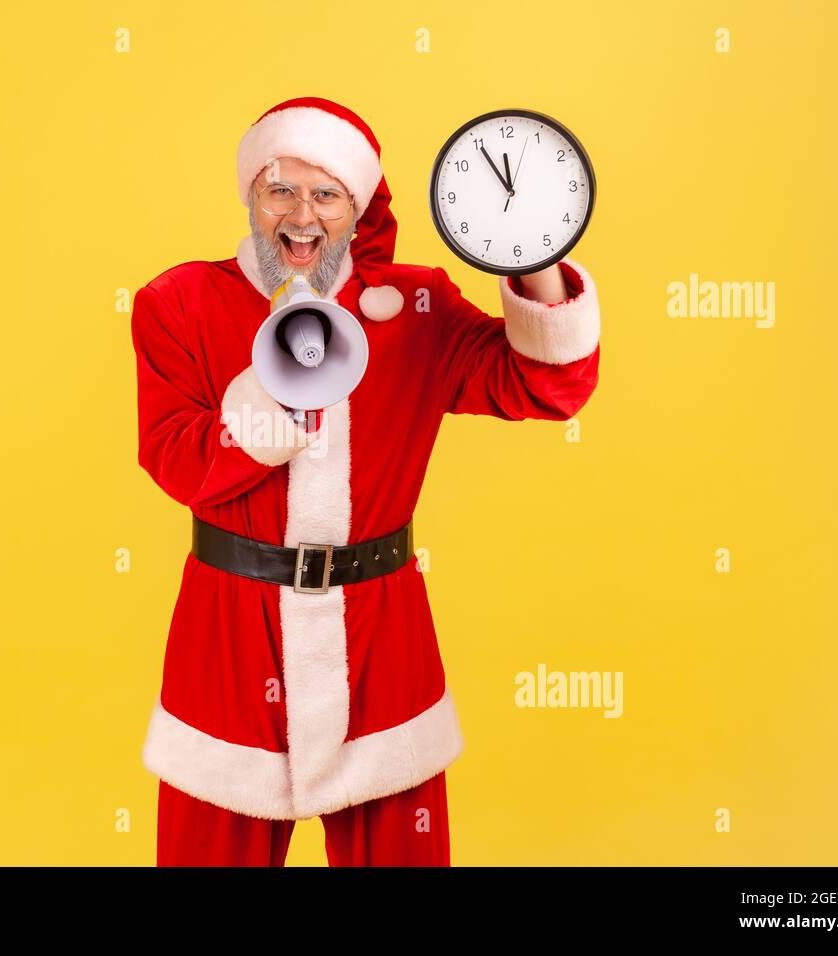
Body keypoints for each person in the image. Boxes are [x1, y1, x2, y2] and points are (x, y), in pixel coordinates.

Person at [131, 96, 601, 866]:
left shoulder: (415, 308)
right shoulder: (178, 302)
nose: (301, 215)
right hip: (228, 631)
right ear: (251, 194)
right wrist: (277, 390)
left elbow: (545, 386)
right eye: (279, 189)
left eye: (326, 194)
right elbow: (177, 458)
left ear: (358, 206)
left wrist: (534, 251)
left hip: (383, 633)